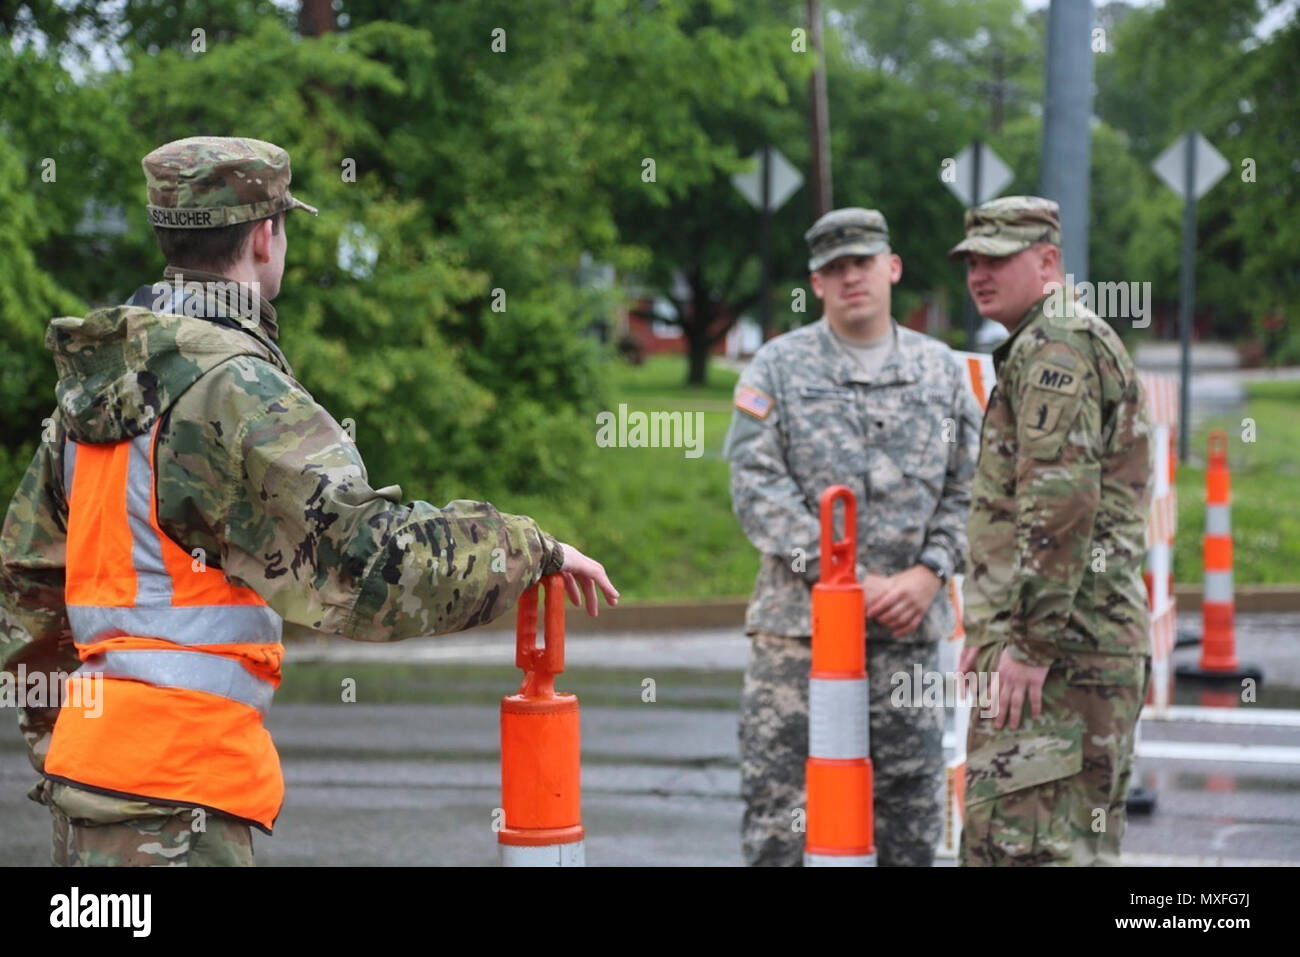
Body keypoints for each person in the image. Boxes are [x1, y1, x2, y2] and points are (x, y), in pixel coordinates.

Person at [0, 136, 618, 867]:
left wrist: (64, 741)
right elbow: (370, 559)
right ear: (265, 236)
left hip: (89, 797)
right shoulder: (235, 392)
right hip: (177, 809)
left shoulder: (95, 391)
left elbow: (27, 580)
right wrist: (527, 546)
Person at [724, 207, 980, 866]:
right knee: (781, 807)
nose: (850, 279)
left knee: (908, 811)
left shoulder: (942, 371)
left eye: (861, 262)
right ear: (816, 283)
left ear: (892, 268)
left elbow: (972, 484)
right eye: (833, 269)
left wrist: (930, 571)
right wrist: (839, 575)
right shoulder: (776, 368)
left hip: (905, 627)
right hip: (799, 631)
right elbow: (756, 485)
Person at [949, 196, 1153, 866]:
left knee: (1028, 848)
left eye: (998, 258)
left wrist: (1028, 645)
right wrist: (991, 630)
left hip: (1063, 658)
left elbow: (1059, 505)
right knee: (1056, 844)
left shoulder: (1054, 347)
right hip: (1071, 647)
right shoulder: (1050, 339)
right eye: (972, 260)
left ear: (1047, 261)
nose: (980, 273)